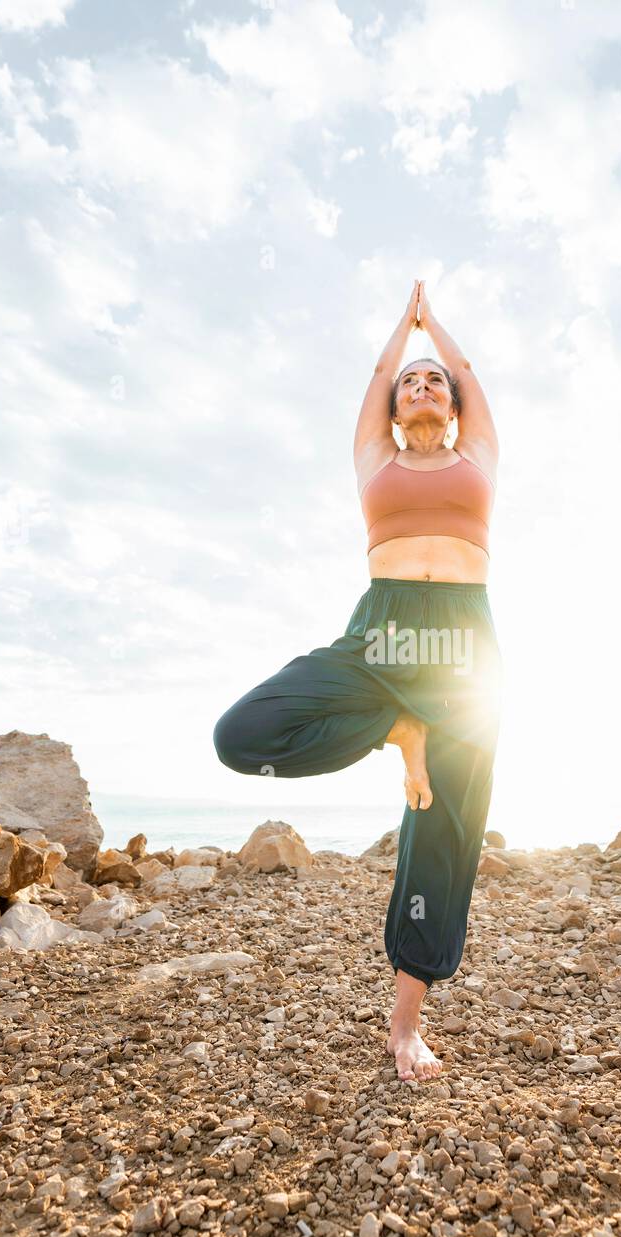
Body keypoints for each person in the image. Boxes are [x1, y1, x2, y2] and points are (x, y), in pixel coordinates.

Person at [212, 280, 501, 1082]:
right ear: (392, 408)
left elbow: (469, 373)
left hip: (466, 648)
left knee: (444, 835)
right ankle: (393, 725)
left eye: (432, 380)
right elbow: (378, 381)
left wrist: (435, 329)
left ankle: (405, 1024)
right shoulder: (375, 458)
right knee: (242, 735)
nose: (421, 384)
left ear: (451, 407)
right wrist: (398, 334)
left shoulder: (478, 454)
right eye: (410, 380)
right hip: (384, 628)